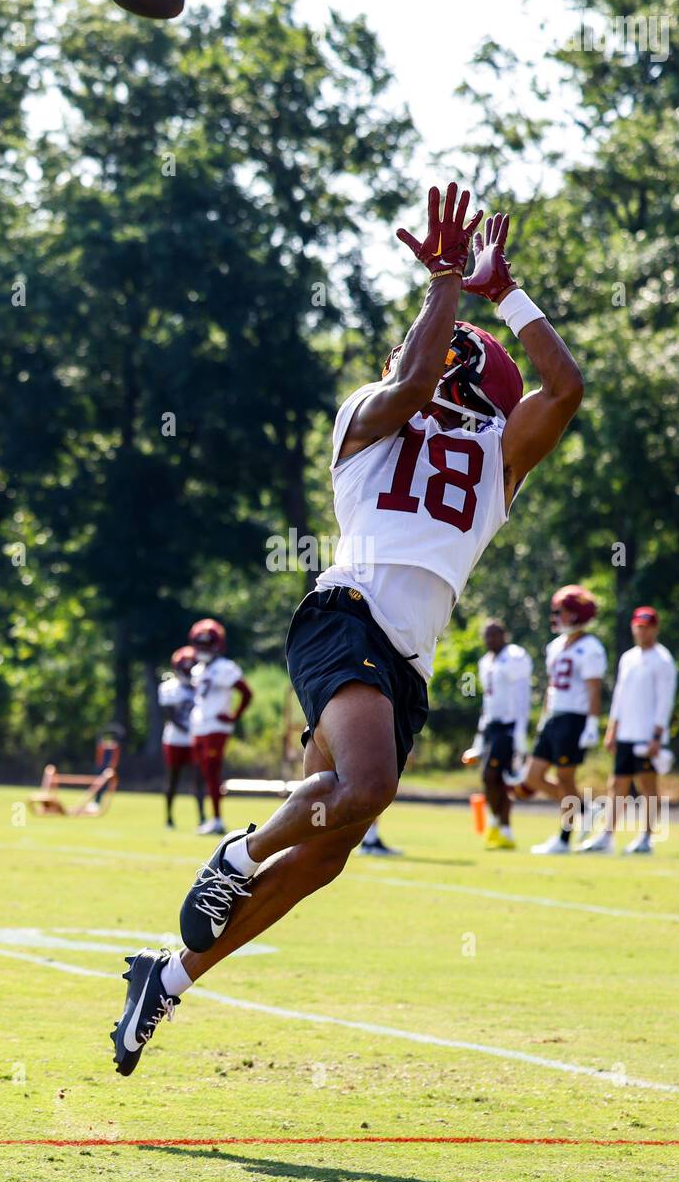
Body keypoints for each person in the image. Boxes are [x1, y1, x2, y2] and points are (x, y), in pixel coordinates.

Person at [111, 183, 584, 1075]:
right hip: (346, 617)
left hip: (404, 662)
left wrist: (503, 292)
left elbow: (566, 385)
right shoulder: (369, 420)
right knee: (365, 788)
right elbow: (410, 378)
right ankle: (237, 851)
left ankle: (166, 979)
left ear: (464, 375)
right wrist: (444, 280)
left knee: (328, 851)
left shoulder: (495, 456)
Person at [509, 585, 606, 854]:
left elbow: (593, 688)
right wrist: (543, 719)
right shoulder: (555, 646)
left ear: (575, 615)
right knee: (532, 777)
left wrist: (591, 724)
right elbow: (551, 689)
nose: (556, 616)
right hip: (554, 718)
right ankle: (587, 809)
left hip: (574, 719)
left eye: (561, 611)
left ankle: (564, 837)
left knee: (565, 779)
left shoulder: (591, 648)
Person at [582, 605, 676, 854]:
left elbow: (665, 701)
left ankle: (646, 837)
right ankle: (607, 835)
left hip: (647, 735)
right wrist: (612, 728)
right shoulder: (628, 657)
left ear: (655, 629)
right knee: (617, 784)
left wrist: (657, 735)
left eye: (646, 627)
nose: (641, 632)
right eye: (638, 627)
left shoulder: (663, 660)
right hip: (626, 733)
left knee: (647, 786)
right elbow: (620, 697)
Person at [462, 619, 531, 849]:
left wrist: (520, 731)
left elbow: (522, 696)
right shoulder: (485, 662)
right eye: (487, 635)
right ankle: (503, 829)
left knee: (493, 776)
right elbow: (487, 701)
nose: (490, 640)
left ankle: (498, 824)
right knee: (494, 779)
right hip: (491, 727)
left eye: (494, 635)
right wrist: (478, 739)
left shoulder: (515, 656)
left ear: (504, 635)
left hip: (508, 727)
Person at [188, 618, 252, 836]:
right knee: (201, 773)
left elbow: (246, 693)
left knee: (212, 773)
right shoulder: (197, 669)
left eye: (208, 644)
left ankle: (217, 820)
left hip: (216, 726)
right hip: (199, 726)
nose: (204, 649)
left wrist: (234, 716)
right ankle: (205, 818)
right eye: (201, 644)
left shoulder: (226, 668)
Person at [158, 646, 204, 829]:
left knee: (198, 779)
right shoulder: (169, 687)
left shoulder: (201, 685)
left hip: (194, 739)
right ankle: (169, 818)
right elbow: (170, 716)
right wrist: (190, 728)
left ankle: (203, 817)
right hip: (175, 739)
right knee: (173, 779)